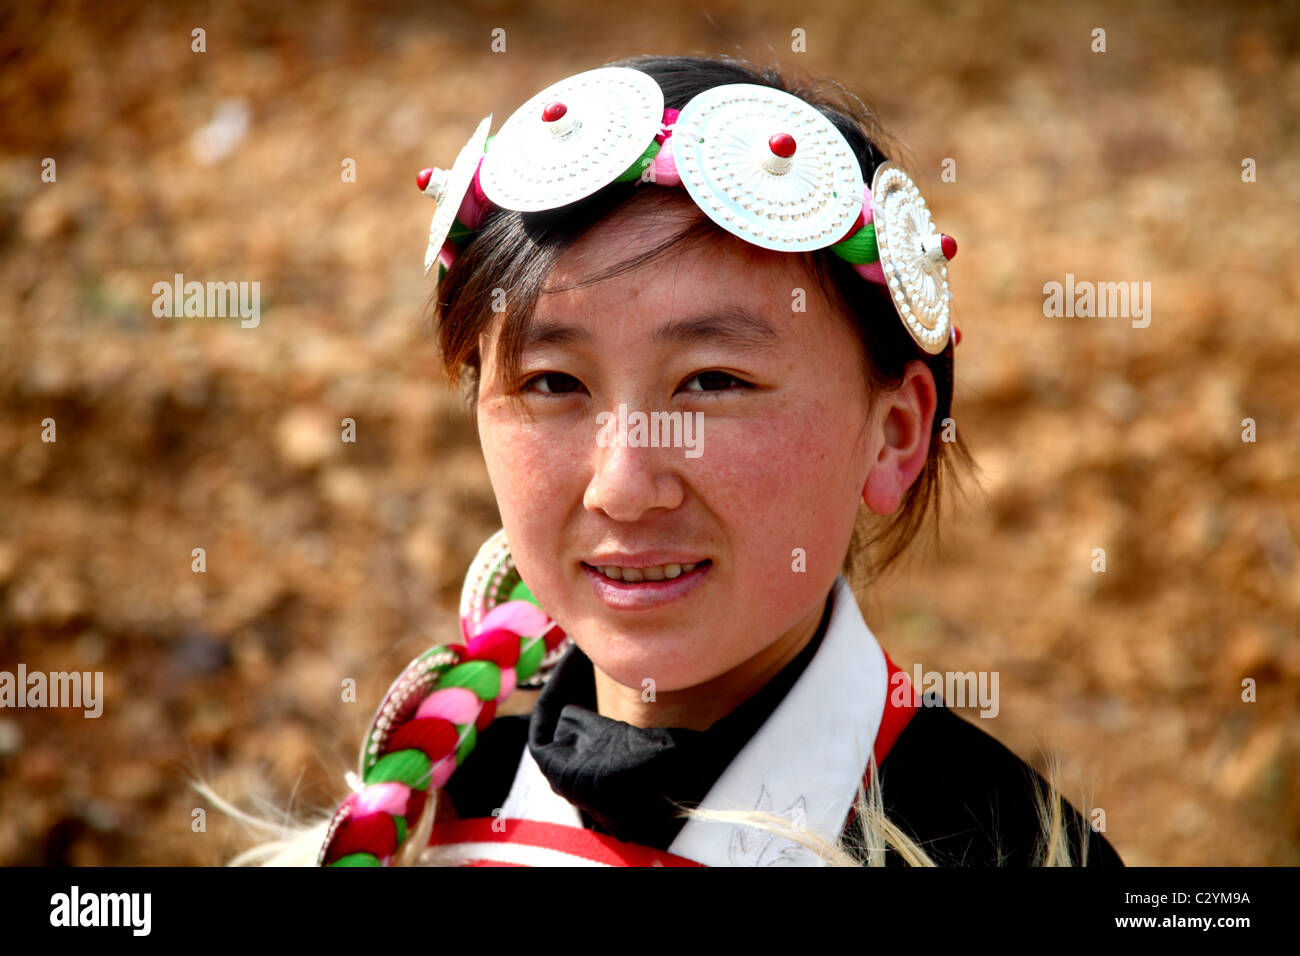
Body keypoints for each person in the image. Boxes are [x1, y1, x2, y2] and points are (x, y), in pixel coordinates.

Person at [217, 53, 1122, 868]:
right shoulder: (434, 813)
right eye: (552, 383)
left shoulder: (1006, 849)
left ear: (893, 435)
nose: (623, 486)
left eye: (714, 382)